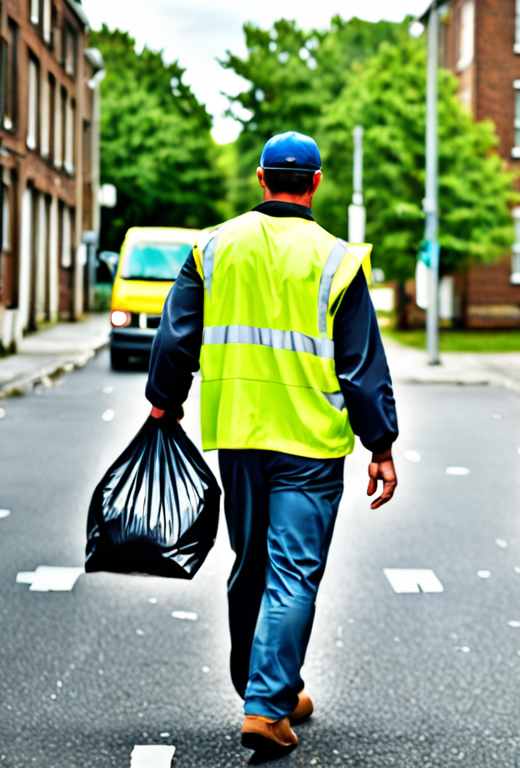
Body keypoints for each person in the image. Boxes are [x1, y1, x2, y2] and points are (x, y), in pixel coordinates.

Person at [146, 131, 399, 755]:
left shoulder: (212, 247)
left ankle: (265, 688)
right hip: (310, 440)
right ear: (315, 183)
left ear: (261, 180)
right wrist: (382, 444)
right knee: (294, 572)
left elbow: (176, 335)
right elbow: (362, 363)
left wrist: (164, 400)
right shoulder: (337, 260)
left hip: (238, 432)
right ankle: (267, 701)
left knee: (252, 564)